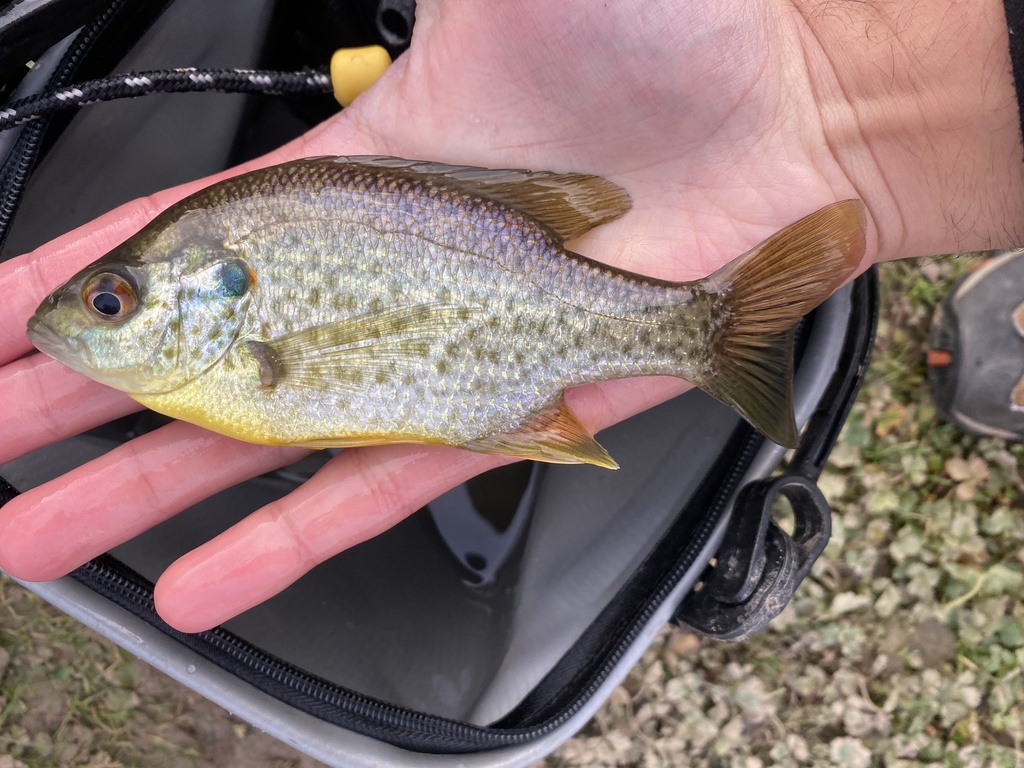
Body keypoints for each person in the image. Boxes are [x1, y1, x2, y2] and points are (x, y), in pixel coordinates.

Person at [0, 0, 1021, 633]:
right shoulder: (226, 339)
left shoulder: (236, 349)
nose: (92, 317)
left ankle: (706, 330)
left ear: (217, 291)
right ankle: (709, 330)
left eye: (112, 299)